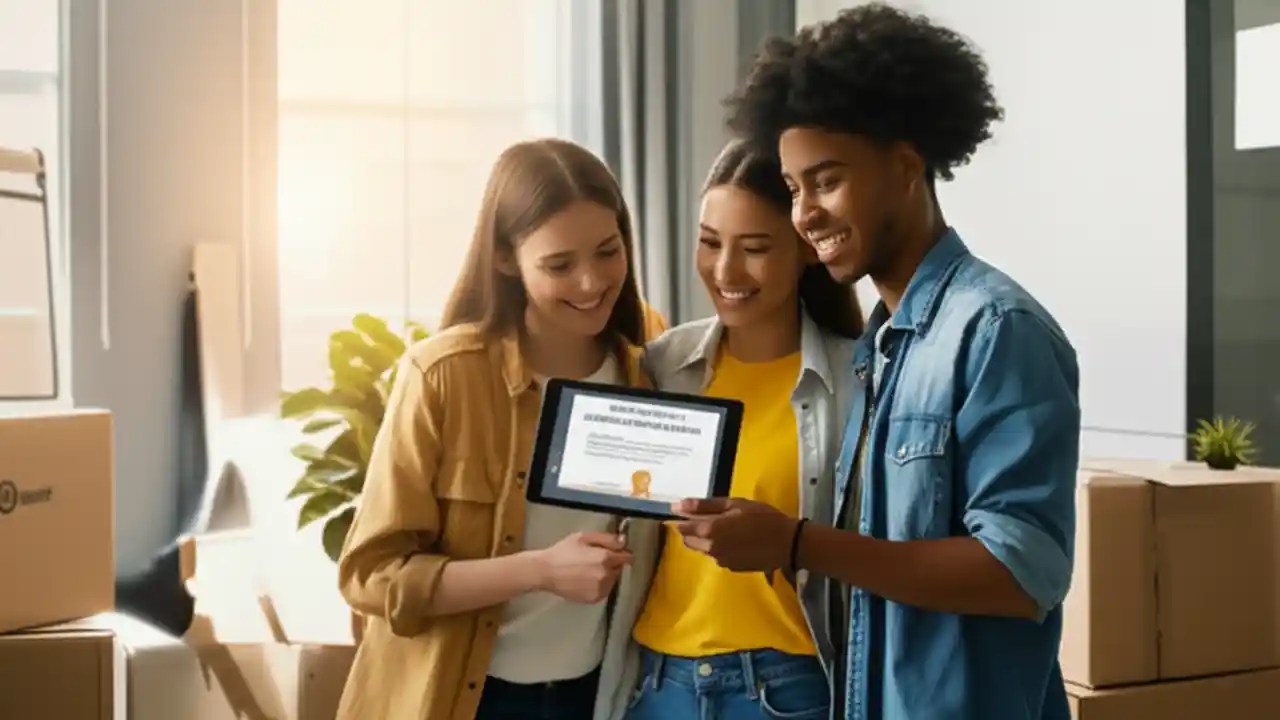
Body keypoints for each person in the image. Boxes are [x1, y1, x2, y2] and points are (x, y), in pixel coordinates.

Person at [671, 5, 1081, 720]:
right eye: (795, 190)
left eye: (825, 181)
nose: (806, 214)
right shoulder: (882, 348)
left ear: (904, 167)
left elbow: (1020, 572)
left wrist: (798, 542)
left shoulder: (995, 330)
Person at [334, 138, 667, 720]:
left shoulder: (650, 370)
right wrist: (539, 571)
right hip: (461, 698)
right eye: (559, 265)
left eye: (608, 252)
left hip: (596, 696)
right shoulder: (443, 376)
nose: (591, 283)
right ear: (506, 258)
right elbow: (369, 575)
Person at [621, 139, 863, 720]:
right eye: (709, 243)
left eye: (754, 248)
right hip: (657, 686)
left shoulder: (857, 381)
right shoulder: (660, 365)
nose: (725, 271)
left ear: (807, 248)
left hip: (787, 691)